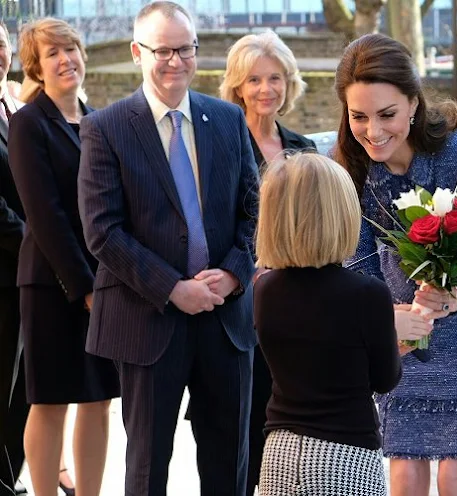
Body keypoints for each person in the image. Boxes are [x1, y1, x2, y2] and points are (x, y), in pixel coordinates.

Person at [77, 2, 260, 495]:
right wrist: (173, 288)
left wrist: (235, 273)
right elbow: (102, 230)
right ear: (138, 52)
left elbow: (253, 210)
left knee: (230, 463)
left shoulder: (226, 119)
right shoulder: (105, 128)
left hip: (225, 322)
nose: (175, 61)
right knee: (147, 466)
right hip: (147, 321)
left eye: (185, 49)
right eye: (163, 50)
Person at [333, 33, 457, 496]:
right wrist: (390, 324)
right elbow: (359, 270)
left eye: (387, 114)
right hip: (399, 336)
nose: (373, 131)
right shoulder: (349, 171)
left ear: (413, 104)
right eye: (359, 116)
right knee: (405, 476)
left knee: (456, 480)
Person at [7, 18, 120, 496]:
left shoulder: (97, 120)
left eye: (70, 49)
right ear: (36, 65)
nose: (64, 60)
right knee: (50, 401)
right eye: (52, 53)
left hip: (102, 280)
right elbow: (45, 215)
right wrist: (85, 287)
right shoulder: (29, 123)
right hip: (52, 283)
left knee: (98, 399)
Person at [254, 152, 401, 495]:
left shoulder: (265, 289)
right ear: (341, 214)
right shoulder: (366, 293)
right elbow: (384, 379)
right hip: (344, 455)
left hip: (278, 452)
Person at [220, 30, 315, 494]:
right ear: (238, 86)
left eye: (275, 78)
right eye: (254, 79)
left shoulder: (303, 147)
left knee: (293, 431)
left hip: (300, 307)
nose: (266, 89)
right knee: (246, 428)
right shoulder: (221, 142)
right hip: (244, 304)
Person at [0, 21, 29, 496]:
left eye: (0, 45)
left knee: (22, 393)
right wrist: (39, 241)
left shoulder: (14, 107)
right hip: (4, 272)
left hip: (25, 278)